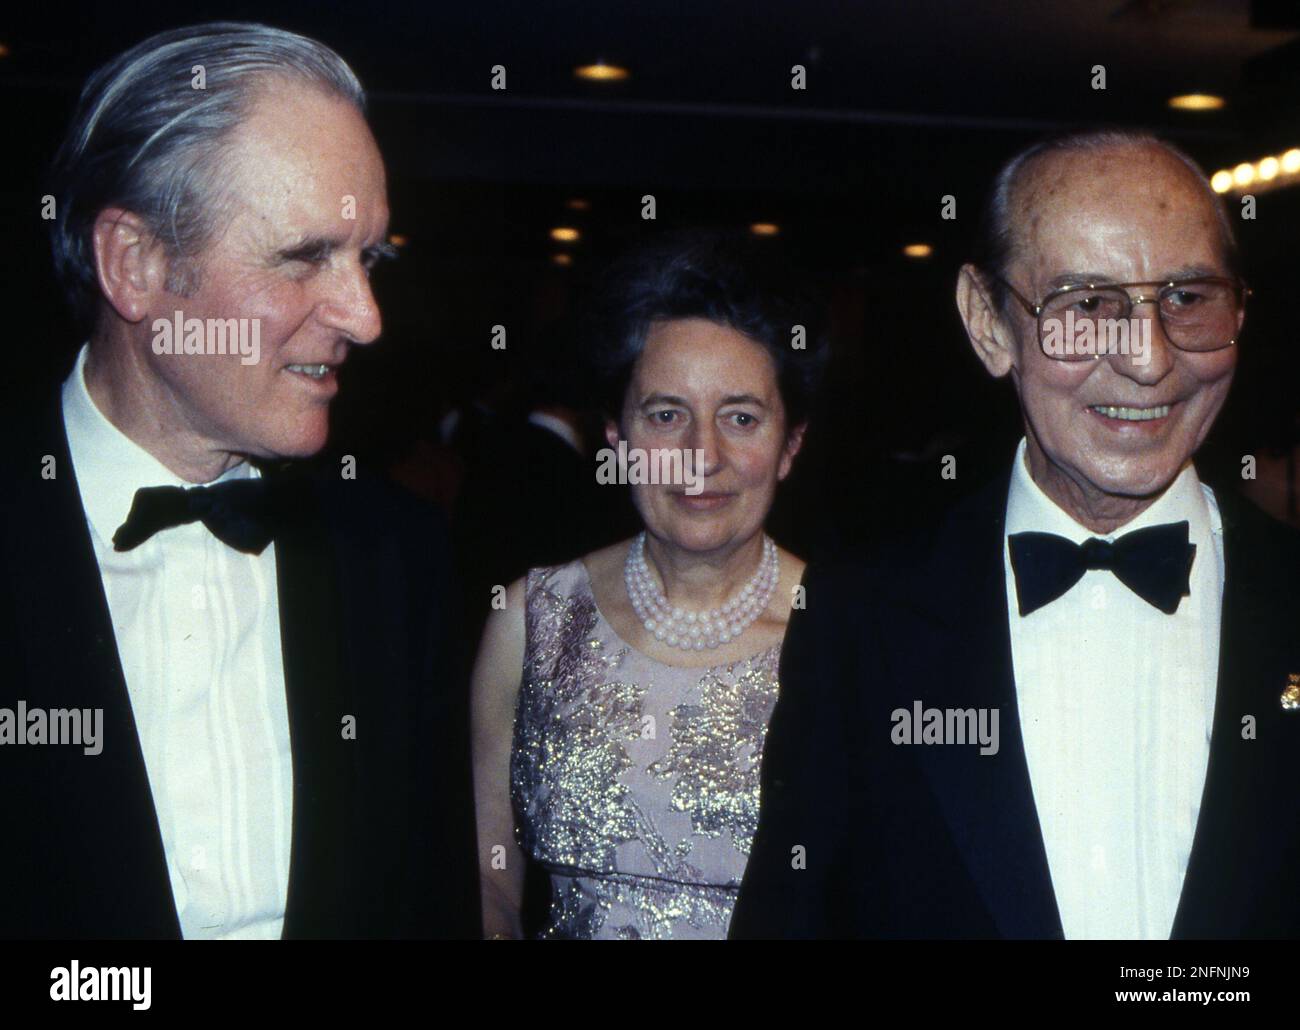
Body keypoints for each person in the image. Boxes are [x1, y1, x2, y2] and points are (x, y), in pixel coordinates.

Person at [731, 130, 1300, 939]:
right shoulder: (865, 616)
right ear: (988, 323)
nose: (1147, 359)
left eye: (1186, 297)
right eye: (1087, 305)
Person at [0, 23, 479, 939]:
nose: (367, 318)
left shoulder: (393, 556)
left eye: (368, 259)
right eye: (305, 256)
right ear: (134, 265)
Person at [472, 232, 826, 938]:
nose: (702, 456)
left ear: (789, 445)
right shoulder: (531, 619)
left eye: (741, 418)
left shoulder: (851, 632)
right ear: (617, 437)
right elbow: (487, 877)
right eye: (667, 415)